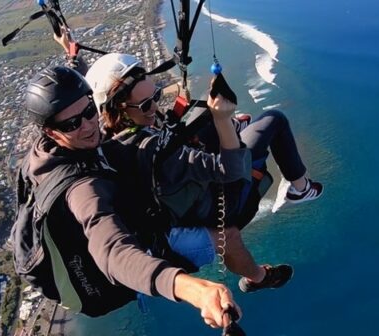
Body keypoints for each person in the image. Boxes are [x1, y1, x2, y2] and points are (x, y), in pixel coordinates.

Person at [16, 65, 240, 329]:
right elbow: (113, 251)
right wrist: (194, 290)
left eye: (89, 112)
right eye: (73, 124)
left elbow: (75, 102)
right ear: (51, 132)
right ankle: (254, 277)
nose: (88, 126)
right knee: (230, 234)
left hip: (98, 239)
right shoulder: (82, 189)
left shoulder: (43, 153)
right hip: (106, 280)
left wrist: (73, 57)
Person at [85, 53, 324, 293]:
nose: (155, 106)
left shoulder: (108, 137)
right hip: (219, 205)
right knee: (273, 120)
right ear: (120, 109)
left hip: (177, 198)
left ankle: (230, 127)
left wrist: (73, 56)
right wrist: (222, 120)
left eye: (155, 95)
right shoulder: (155, 151)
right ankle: (300, 188)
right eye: (146, 104)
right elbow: (232, 170)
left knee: (202, 113)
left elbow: (166, 136)